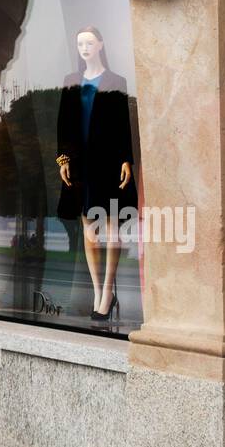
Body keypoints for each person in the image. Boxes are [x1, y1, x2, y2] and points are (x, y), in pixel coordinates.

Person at [55, 27, 136, 325]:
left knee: (112, 230)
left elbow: (123, 125)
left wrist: (127, 159)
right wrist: (63, 158)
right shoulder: (71, 82)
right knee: (90, 232)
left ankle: (107, 292)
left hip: (110, 162)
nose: (84, 47)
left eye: (89, 42)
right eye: (80, 43)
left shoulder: (117, 82)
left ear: (101, 44)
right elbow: (63, 125)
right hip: (82, 165)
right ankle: (97, 290)